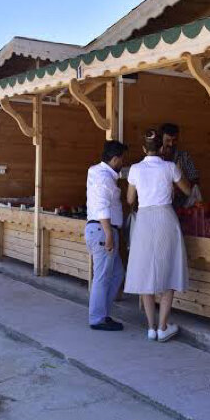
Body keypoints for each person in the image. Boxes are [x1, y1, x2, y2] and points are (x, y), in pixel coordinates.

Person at [125, 129, 192, 342]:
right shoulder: (170, 167)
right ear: (161, 148)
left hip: (145, 219)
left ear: (143, 148)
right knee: (169, 270)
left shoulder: (135, 169)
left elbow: (129, 199)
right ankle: (163, 326)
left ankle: (151, 328)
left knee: (145, 272)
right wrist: (172, 185)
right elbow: (188, 190)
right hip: (165, 217)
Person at [84, 140, 128, 332]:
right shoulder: (104, 178)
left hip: (99, 229)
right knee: (102, 277)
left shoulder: (97, 172)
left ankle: (103, 313)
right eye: (122, 159)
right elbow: (102, 206)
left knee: (117, 273)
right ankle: (97, 318)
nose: (123, 163)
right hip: (103, 230)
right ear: (115, 159)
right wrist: (109, 234)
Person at [159, 123, 200, 207]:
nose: (171, 144)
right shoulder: (155, 158)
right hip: (161, 204)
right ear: (160, 139)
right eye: (168, 140)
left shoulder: (184, 156)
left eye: (174, 140)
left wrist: (181, 186)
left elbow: (195, 179)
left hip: (184, 204)